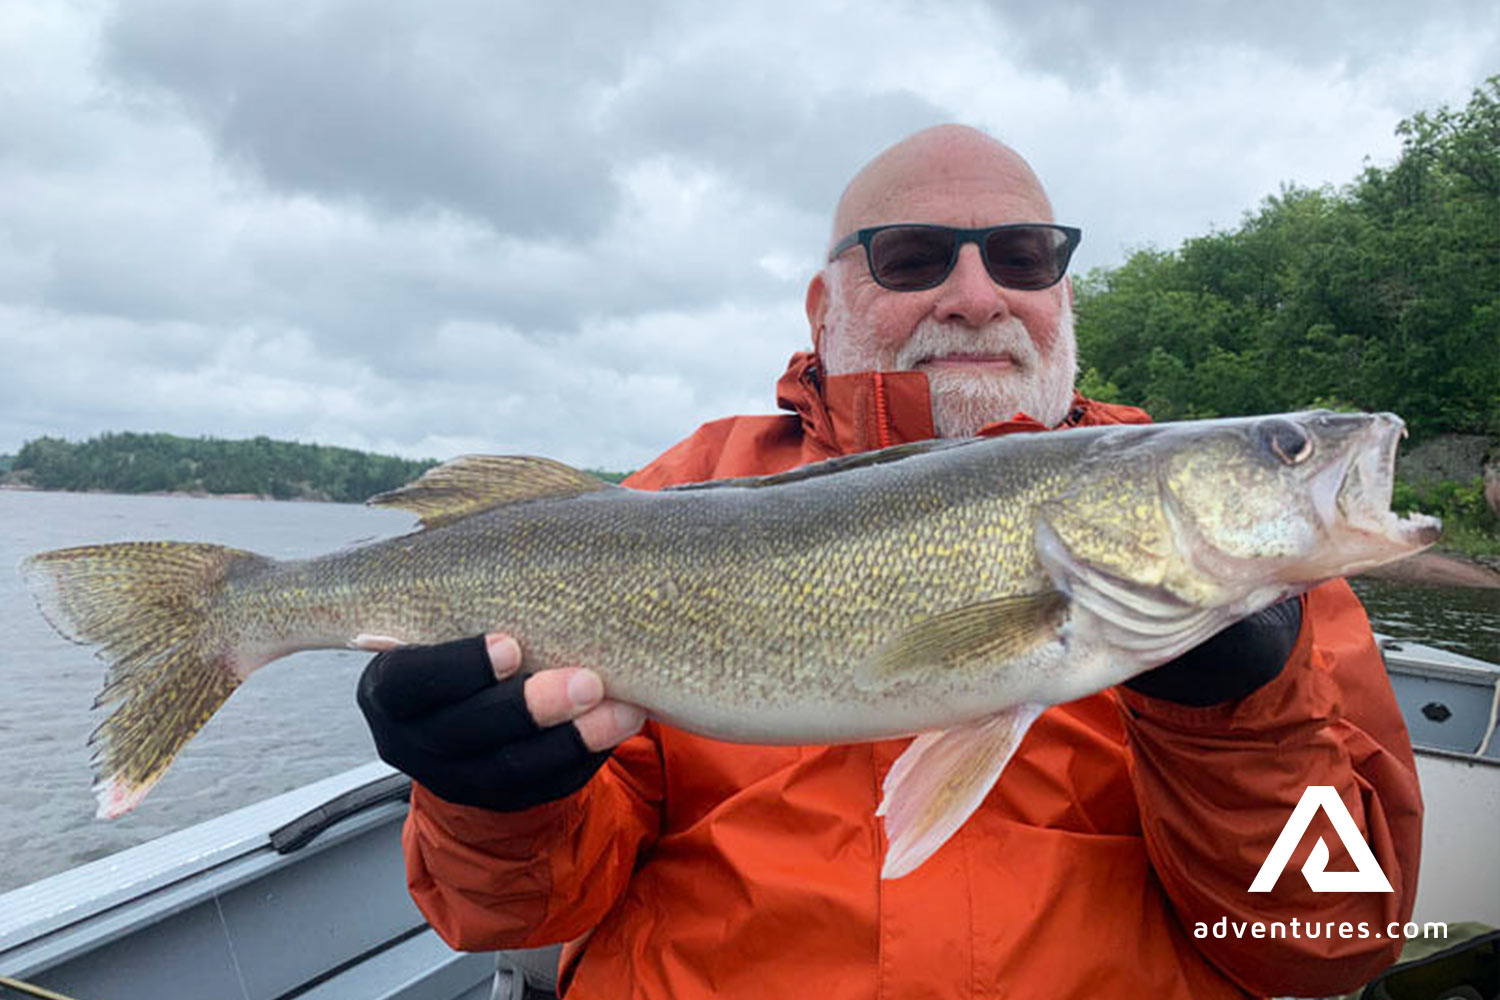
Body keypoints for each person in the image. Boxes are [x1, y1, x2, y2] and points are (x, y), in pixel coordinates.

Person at [357, 125, 1423, 999]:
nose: (975, 294)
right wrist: (486, 800)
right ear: (825, 310)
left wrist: (1238, 723)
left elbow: (1324, 939)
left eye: (1023, 257)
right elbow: (516, 915)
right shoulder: (659, 500)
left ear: (1062, 301)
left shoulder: (1272, 590)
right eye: (913, 258)